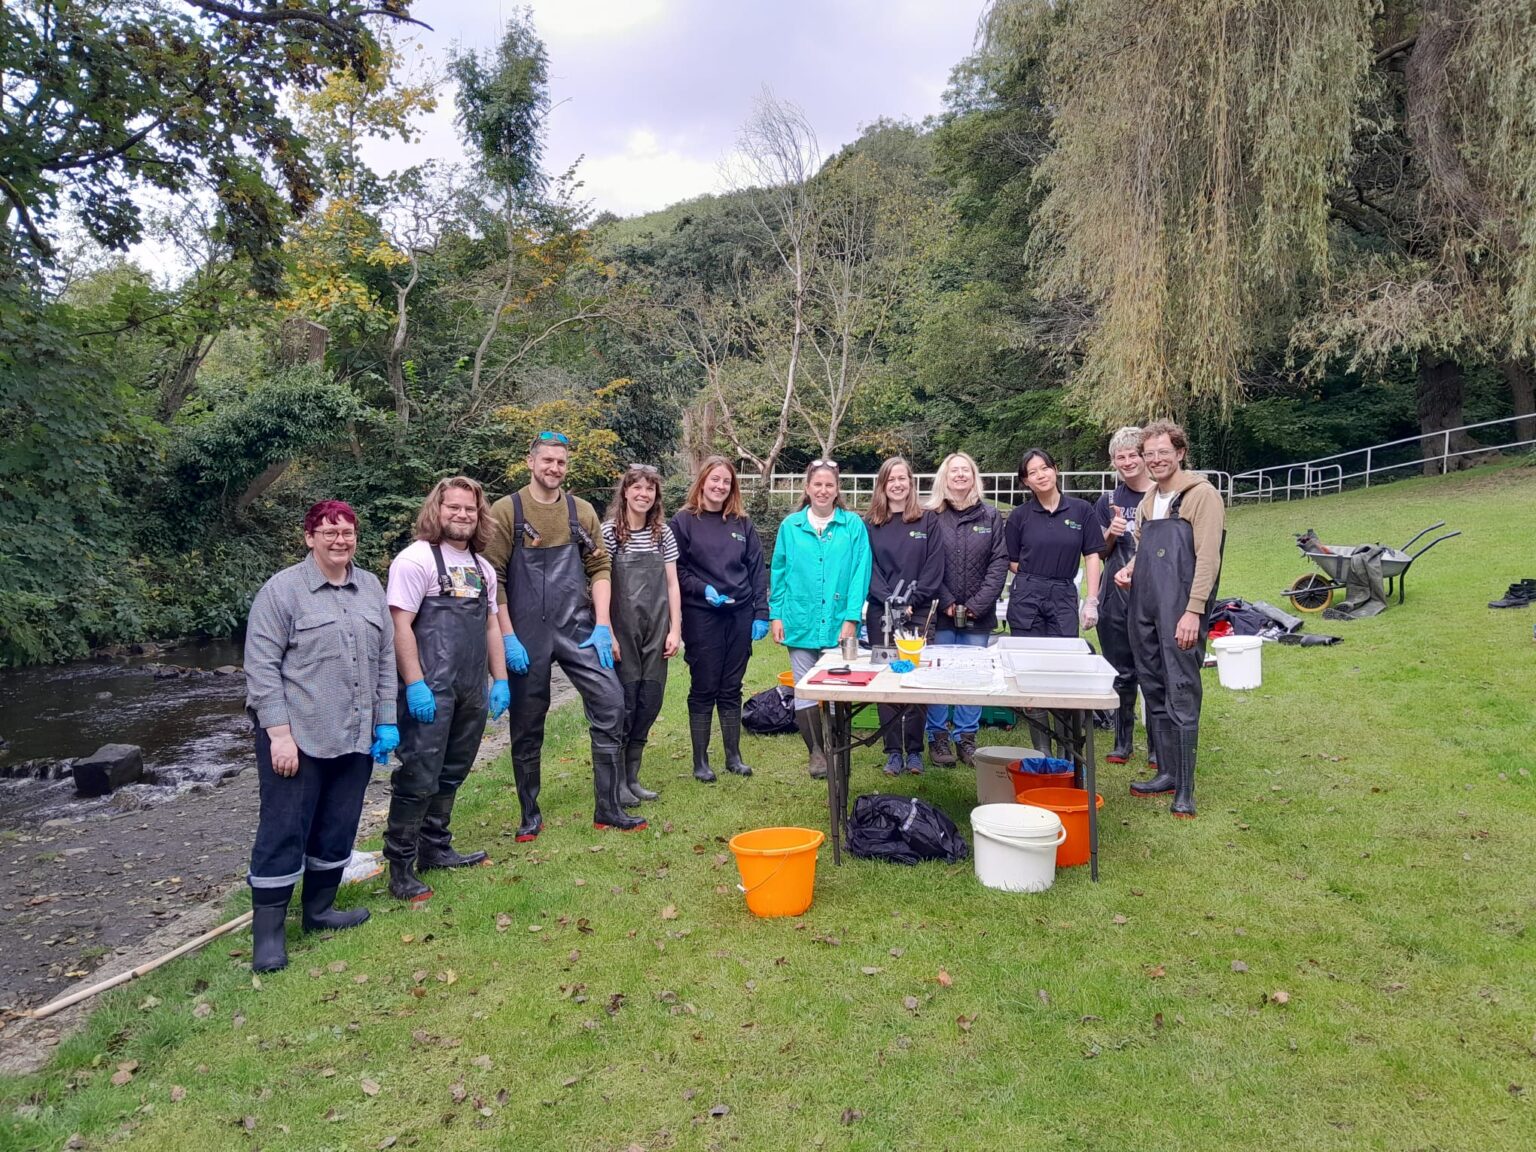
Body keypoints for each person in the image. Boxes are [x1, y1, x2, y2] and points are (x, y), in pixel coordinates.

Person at [243, 500, 398, 973]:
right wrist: (279, 736)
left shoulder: (370, 586)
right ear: (309, 537)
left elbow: (386, 659)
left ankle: (320, 911)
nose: (340, 540)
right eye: (328, 532)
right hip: (299, 737)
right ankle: (268, 935)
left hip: (355, 733)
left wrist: (386, 719)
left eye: (347, 532)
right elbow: (261, 667)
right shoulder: (283, 591)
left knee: (338, 825)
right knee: (283, 830)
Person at [483, 431, 644, 839]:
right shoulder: (507, 511)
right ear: (530, 461)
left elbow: (600, 567)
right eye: (547, 460)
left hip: (577, 628)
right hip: (525, 634)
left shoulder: (581, 511)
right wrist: (507, 637)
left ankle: (607, 808)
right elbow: (493, 578)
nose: (554, 468)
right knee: (527, 723)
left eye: (561, 462)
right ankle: (529, 815)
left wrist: (603, 625)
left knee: (611, 703)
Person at [382, 477, 510, 904]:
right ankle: (400, 867)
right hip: (429, 687)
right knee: (419, 774)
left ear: (479, 515)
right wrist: (414, 683)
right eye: (453, 507)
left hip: (470, 687)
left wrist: (501, 680)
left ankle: (435, 846)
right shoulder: (414, 560)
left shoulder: (482, 567)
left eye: (470, 509)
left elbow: (491, 624)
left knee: (454, 769)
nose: (462, 515)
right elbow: (400, 625)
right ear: (436, 511)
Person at [1114, 420, 1225, 818]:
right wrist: (1130, 570)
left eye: (1164, 452)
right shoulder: (1147, 503)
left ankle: (1186, 790)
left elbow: (1208, 558)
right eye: (1150, 454)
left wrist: (1194, 611)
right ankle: (1165, 772)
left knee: (1181, 689)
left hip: (1181, 610)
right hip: (1143, 608)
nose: (1156, 460)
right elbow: (1146, 552)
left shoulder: (1201, 496)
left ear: (1180, 453)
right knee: (1153, 685)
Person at [770, 460, 873, 778]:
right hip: (799, 617)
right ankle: (816, 753)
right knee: (803, 687)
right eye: (818, 484)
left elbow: (860, 573)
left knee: (834, 686)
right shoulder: (791, 527)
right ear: (807, 488)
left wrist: (852, 618)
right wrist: (776, 614)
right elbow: (779, 572)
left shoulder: (852, 525)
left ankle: (836, 749)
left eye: (829, 485)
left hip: (837, 619)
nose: (823, 490)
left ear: (837, 489)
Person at [670, 456, 770, 782]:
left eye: (726, 481)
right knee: (704, 686)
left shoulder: (742, 523)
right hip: (703, 616)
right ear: (702, 481)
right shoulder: (683, 522)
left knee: (731, 686)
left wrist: (760, 612)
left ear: (732, 486)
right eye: (715, 479)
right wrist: (703, 589)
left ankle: (733, 756)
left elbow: (757, 570)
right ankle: (700, 761)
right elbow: (676, 572)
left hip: (739, 615)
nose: (720, 486)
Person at [1003, 447, 1104, 753]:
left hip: (1063, 594)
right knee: (1030, 672)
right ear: (1025, 481)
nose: (1040, 475)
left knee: (1063, 672)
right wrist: (1038, 577)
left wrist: (1092, 600)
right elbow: (1013, 561)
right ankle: (1041, 750)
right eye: (1032, 472)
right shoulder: (1019, 516)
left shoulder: (1081, 511)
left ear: (1055, 469)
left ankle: (1065, 750)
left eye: (1044, 468)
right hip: (1027, 594)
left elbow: (1092, 555)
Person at [601, 464, 682, 806]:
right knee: (624, 703)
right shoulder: (608, 533)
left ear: (656, 496)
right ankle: (616, 781)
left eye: (650, 489)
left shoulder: (662, 534)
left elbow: (672, 583)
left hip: (656, 631)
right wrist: (606, 631)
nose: (643, 494)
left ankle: (633, 778)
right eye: (637, 487)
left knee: (649, 701)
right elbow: (599, 583)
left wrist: (675, 629)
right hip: (623, 632)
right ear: (625, 491)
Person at [924, 451, 1008, 769]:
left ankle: (966, 737)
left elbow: (999, 562)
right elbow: (928, 563)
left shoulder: (990, 516)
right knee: (938, 674)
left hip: (979, 613)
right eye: (954, 470)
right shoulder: (931, 516)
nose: (960, 475)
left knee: (973, 676)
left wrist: (977, 604)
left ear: (974, 477)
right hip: (941, 611)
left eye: (966, 470)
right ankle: (938, 737)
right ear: (944, 478)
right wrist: (945, 602)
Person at [863, 456, 944, 775]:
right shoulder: (870, 523)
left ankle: (914, 750)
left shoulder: (927, 520)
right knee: (887, 679)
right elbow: (868, 569)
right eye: (890, 479)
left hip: (919, 613)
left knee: (916, 679)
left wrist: (912, 601)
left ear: (911, 482)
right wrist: (891, 601)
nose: (897, 484)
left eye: (903, 478)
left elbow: (934, 566)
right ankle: (893, 750)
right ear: (882, 485)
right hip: (882, 613)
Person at [1091, 427, 1157, 767]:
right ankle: (1122, 741)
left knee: (1153, 669)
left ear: (1144, 457)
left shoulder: (1161, 497)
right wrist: (1111, 533)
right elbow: (1098, 553)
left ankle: (1158, 747)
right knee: (1120, 670)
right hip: (1114, 593)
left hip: (1153, 591)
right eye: (1121, 457)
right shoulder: (1109, 502)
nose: (1128, 462)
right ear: (1114, 462)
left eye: (1134, 455)